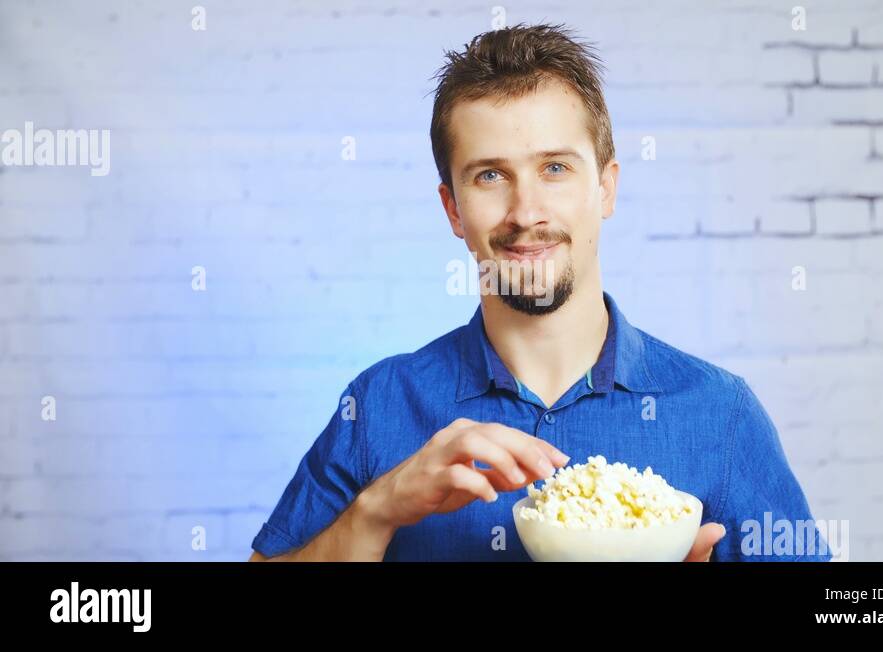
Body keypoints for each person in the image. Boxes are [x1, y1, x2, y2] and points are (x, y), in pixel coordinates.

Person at [249, 23, 830, 562]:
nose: (526, 213)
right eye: (490, 176)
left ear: (605, 187)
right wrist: (377, 512)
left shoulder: (719, 413)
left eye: (554, 168)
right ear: (452, 208)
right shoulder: (379, 407)